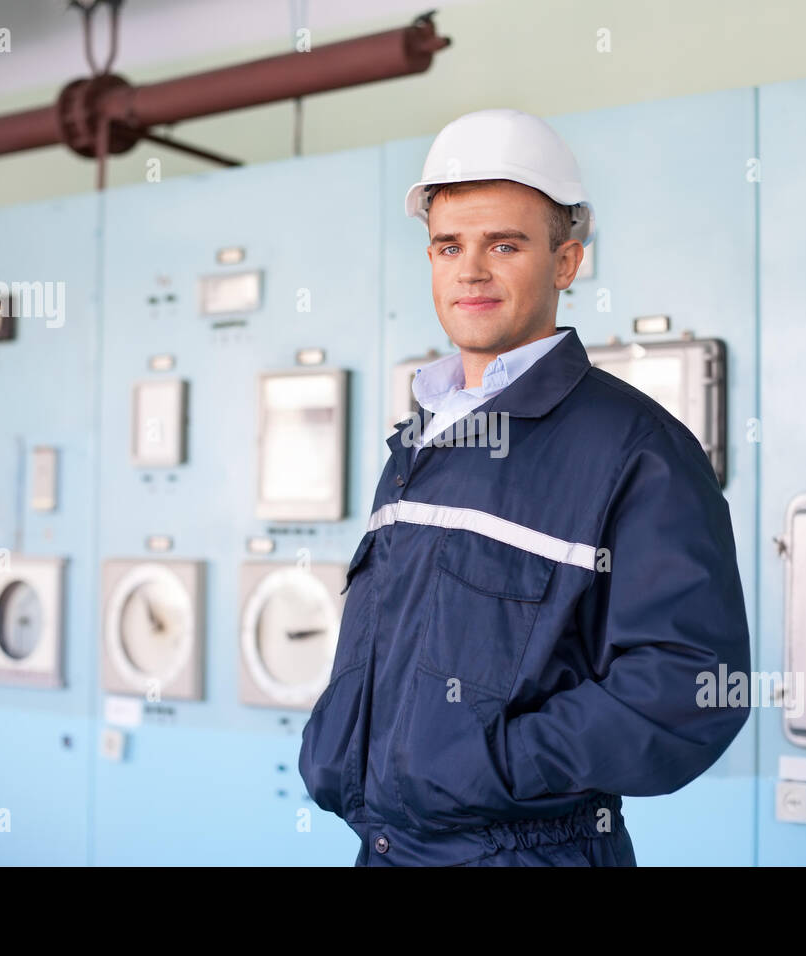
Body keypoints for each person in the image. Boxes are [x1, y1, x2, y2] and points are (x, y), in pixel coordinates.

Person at [299, 108, 752, 866]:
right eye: (449, 246)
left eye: (503, 244)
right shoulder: (421, 441)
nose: (470, 271)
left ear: (566, 263)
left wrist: (486, 764)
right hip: (387, 848)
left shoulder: (637, 449)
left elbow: (693, 687)